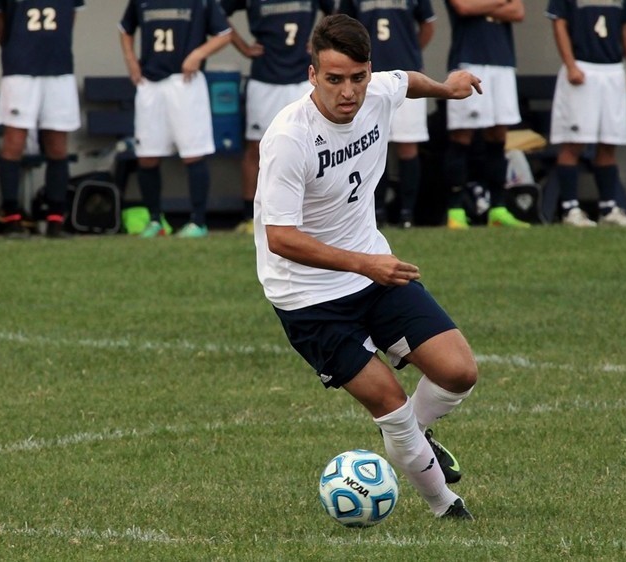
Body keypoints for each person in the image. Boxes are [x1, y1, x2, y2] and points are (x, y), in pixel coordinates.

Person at [255, 14, 481, 520]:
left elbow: (406, 81)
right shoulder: (289, 138)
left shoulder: (377, 91)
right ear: (312, 74)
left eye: (357, 77)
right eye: (334, 79)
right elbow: (281, 238)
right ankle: (446, 507)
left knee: (458, 371)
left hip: (372, 271)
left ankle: (412, 443)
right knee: (391, 404)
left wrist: (447, 88)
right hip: (308, 296)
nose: (349, 92)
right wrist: (366, 263)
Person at [118, 0, 232, 239]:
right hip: (150, 83)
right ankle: (154, 220)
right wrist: (130, 61)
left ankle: (198, 222)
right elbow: (125, 28)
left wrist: (199, 54)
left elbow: (224, 34)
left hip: (185, 82)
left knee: (193, 152)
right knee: (147, 154)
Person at [221, 0, 336, 235]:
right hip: (265, 80)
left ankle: (315, 214)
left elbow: (335, 11)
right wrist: (243, 47)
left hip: (303, 78)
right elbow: (217, 12)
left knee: (317, 144)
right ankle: (249, 217)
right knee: (256, 147)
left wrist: (319, 42)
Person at [0, 0, 85, 238]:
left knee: (58, 145)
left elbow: (71, 16)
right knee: (14, 142)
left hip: (58, 69)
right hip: (20, 71)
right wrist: (14, 49)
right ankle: (11, 217)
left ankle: (55, 220)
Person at [341, 0, 436, 229]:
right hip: (369, 79)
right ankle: (376, 211)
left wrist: (411, 52)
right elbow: (343, 30)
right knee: (370, 144)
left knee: (407, 144)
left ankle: (407, 214)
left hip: (405, 74)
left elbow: (428, 25)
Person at [547, 0, 626, 227]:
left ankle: (608, 208)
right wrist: (570, 65)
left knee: (610, 141)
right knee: (574, 142)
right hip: (582, 68)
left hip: (612, 71)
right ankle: (570, 209)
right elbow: (559, 24)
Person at [443, 0, 529, 229]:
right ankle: (455, 211)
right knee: (462, 136)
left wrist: (482, 6)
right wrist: (501, 2)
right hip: (468, 60)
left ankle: (498, 209)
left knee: (498, 136)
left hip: (502, 62)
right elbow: (464, 7)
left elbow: (519, 11)